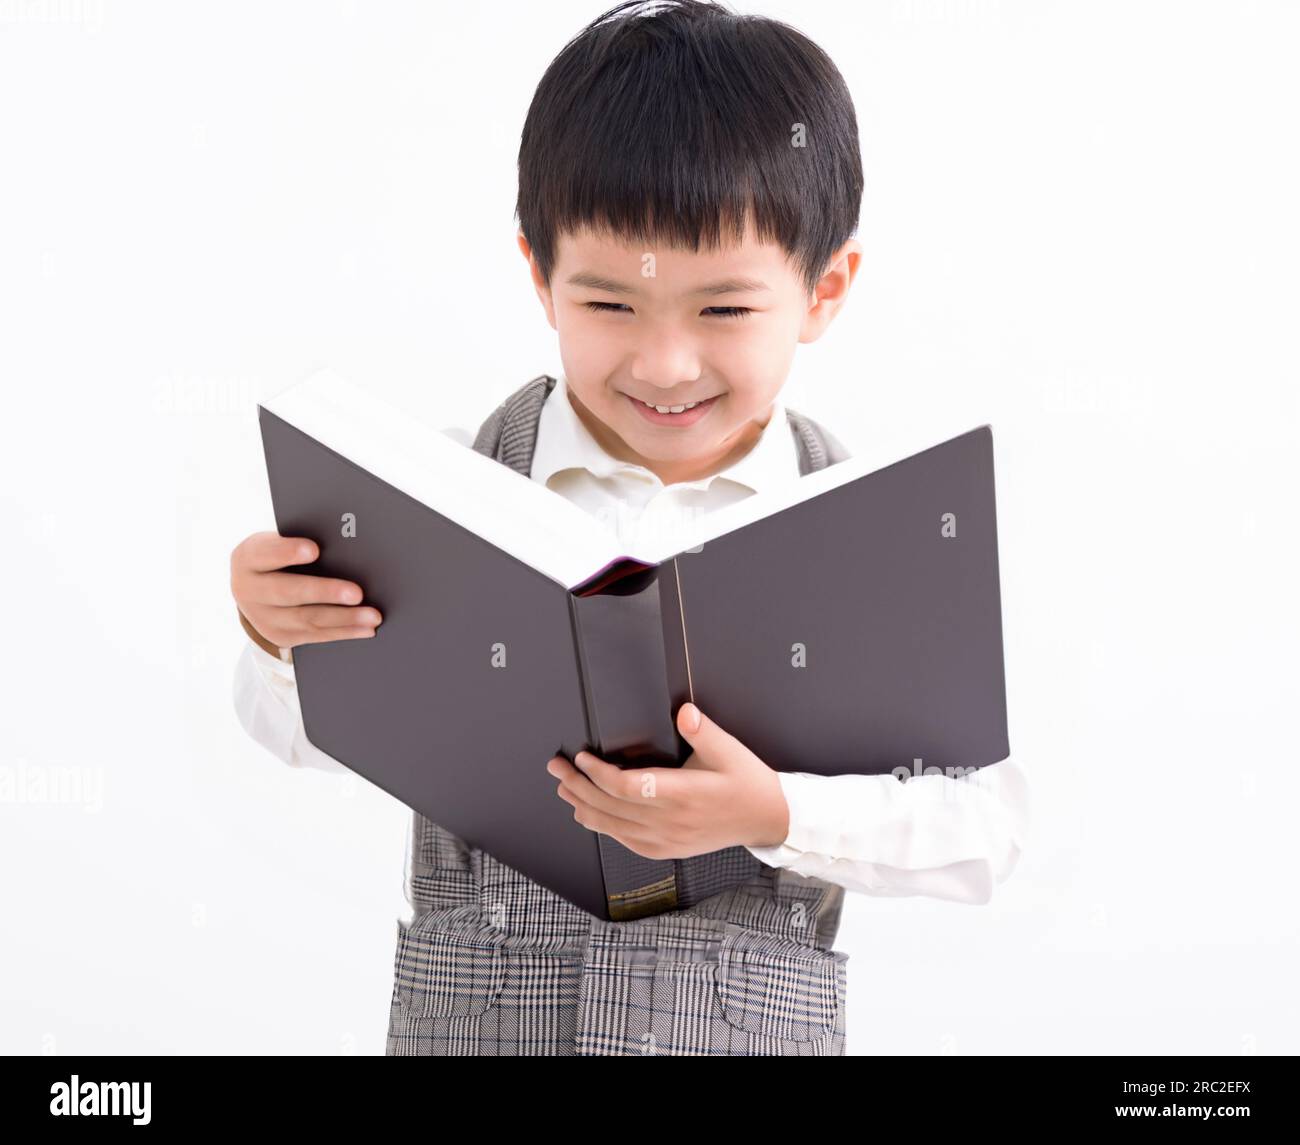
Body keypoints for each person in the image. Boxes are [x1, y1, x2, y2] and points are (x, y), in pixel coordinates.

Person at [230, 0, 1030, 1055]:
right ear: (538, 274)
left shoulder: (875, 536)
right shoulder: (440, 492)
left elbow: (983, 830)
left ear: (823, 288)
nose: (663, 365)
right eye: (609, 305)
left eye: (724, 311)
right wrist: (275, 637)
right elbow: (304, 738)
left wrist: (774, 814)